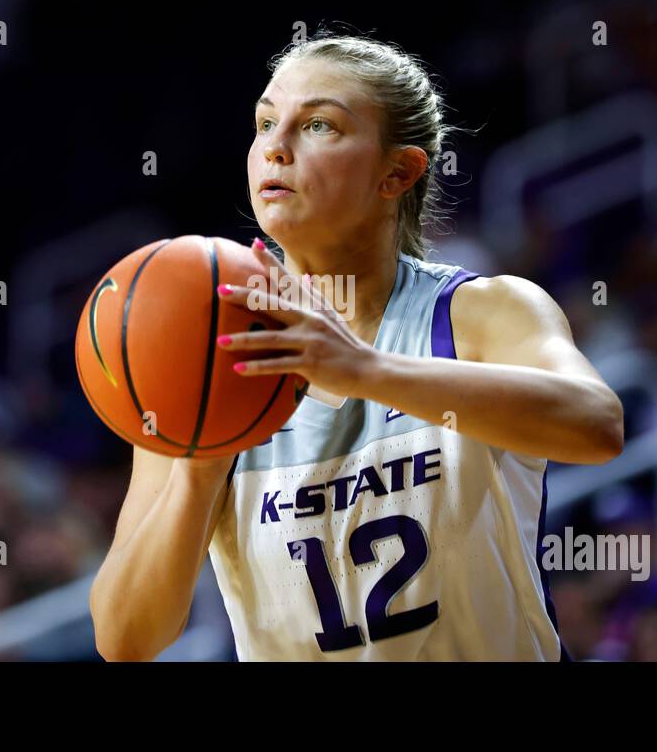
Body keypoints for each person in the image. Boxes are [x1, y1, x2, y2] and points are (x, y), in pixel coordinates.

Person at [89, 33, 623, 661]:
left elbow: (598, 425)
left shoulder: (479, 311)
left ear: (397, 171)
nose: (276, 148)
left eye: (318, 125)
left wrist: (367, 370)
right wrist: (202, 465)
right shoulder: (207, 353)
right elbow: (123, 638)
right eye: (265, 123)